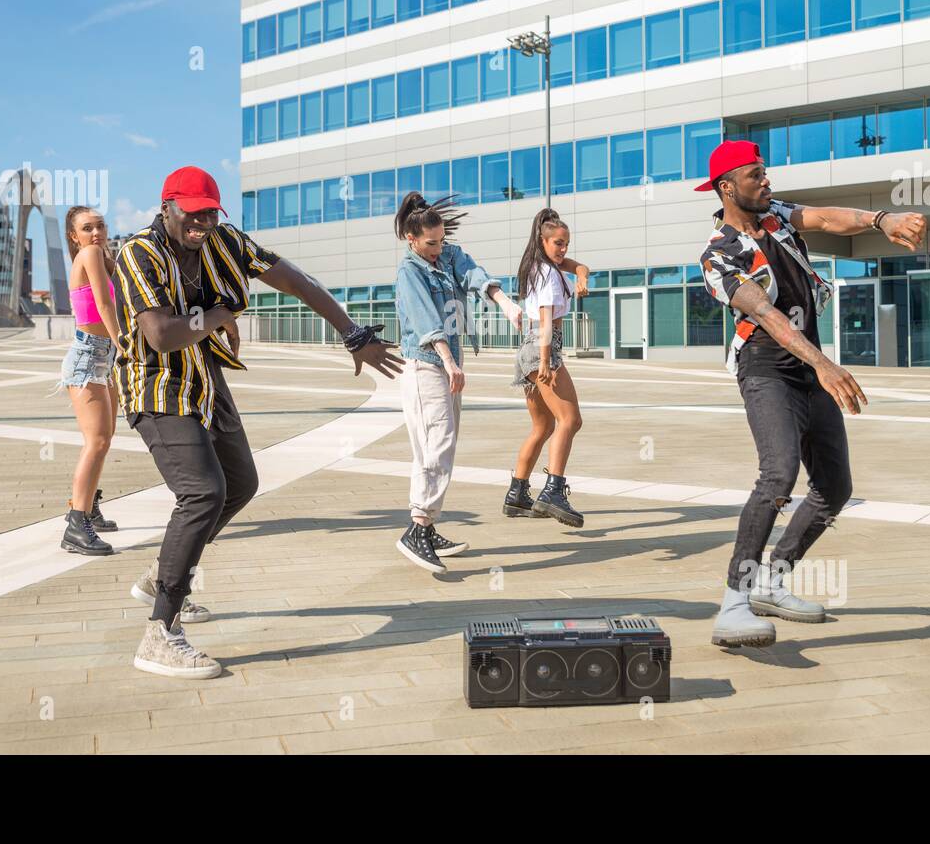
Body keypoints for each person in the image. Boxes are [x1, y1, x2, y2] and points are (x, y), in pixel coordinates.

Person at [116, 166, 403, 678]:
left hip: (204, 378)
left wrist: (352, 332)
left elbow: (296, 280)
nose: (202, 222)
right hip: (155, 385)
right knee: (202, 492)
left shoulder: (224, 241)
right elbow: (160, 335)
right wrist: (217, 317)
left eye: (210, 213)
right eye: (192, 213)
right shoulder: (140, 251)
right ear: (167, 207)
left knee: (241, 483)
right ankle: (159, 633)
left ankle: (164, 574)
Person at [696, 140, 926, 647]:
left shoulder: (777, 215)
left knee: (835, 487)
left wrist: (880, 220)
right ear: (726, 187)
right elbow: (766, 313)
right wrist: (823, 364)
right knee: (778, 473)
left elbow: (823, 218)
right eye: (756, 175)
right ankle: (734, 604)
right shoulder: (718, 256)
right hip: (768, 371)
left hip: (809, 368)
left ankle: (772, 581)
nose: (767, 182)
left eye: (766, 173)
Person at [392, 192, 523, 573]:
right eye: (430, 243)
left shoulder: (448, 255)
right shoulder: (410, 271)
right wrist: (449, 362)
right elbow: (424, 320)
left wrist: (506, 304)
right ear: (410, 239)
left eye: (441, 240)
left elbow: (475, 275)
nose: (437, 249)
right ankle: (417, 530)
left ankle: (427, 528)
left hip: (449, 365)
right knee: (439, 442)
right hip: (426, 365)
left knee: (435, 447)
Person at [504, 208, 590, 527]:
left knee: (543, 428)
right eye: (558, 243)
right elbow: (544, 318)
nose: (563, 249)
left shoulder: (545, 266)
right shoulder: (547, 273)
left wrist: (581, 278)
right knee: (570, 419)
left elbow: (581, 266)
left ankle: (517, 493)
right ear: (542, 241)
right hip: (542, 347)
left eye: (566, 243)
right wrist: (545, 361)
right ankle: (553, 491)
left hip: (530, 349)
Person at [57, 206, 122, 556]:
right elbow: (104, 304)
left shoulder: (102, 256)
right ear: (74, 235)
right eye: (87, 227)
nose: (96, 233)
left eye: (100, 226)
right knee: (95, 441)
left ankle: (90, 505)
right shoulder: (90, 253)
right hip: (88, 357)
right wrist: (123, 344)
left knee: (104, 439)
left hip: (102, 356)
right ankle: (75, 524)